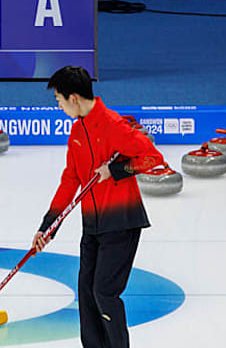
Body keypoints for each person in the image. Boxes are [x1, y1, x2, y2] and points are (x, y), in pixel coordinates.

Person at [32, 66, 163, 347]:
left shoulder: (114, 126)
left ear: (74, 98)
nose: (58, 105)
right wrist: (48, 226)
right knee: (87, 294)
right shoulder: (77, 132)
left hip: (121, 223)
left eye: (59, 99)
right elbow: (70, 181)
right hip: (92, 226)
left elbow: (153, 159)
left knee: (104, 292)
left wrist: (116, 170)